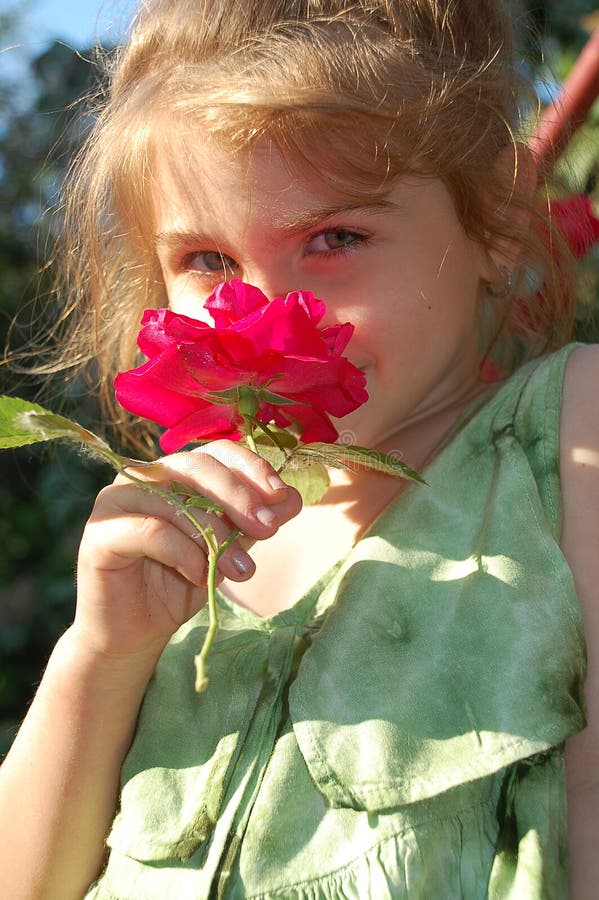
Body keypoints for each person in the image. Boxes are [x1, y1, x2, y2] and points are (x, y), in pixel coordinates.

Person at [1, 0, 598, 896]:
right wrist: (102, 656)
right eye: (207, 260)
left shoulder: (569, 432)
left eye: (336, 239)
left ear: (497, 228)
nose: (270, 315)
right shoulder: (180, 524)